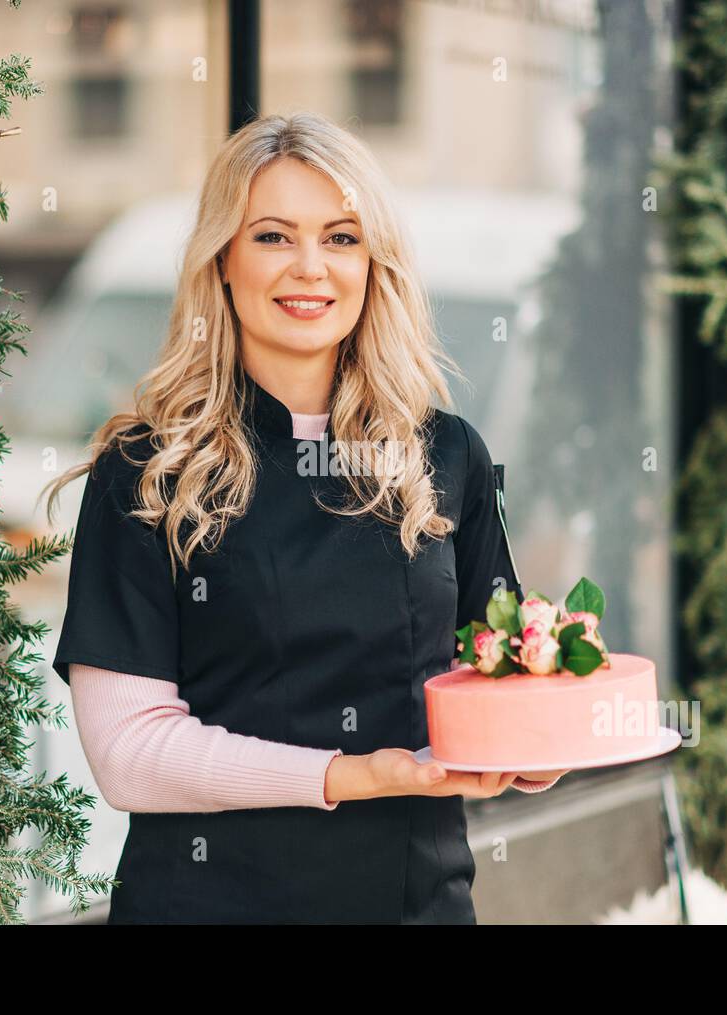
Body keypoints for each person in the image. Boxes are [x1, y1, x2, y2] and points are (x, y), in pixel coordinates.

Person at [43, 111, 569, 925]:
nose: (311, 268)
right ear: (222, 259)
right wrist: (351, 774)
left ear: (373, 261)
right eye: (273, 237)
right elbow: (130, 757)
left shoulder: (445, 457)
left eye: (342, 237)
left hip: (415, 903)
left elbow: (495, 680)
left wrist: (537, 747)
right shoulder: (148, 472)